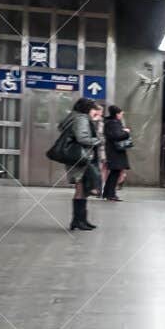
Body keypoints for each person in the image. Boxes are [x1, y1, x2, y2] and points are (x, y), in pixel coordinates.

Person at [59, 98, 102, 232]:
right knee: (81, 188)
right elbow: (82, 138)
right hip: (80, 158)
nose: (95, 112)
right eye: (93, 109)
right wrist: (98, 140)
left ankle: (80, 220)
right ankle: (78, 221)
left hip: (76, 157)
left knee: (81, 188)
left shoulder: (73, 117)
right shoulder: (81, 119)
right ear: (87, 108)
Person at [101, 104, 131, 201]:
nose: (122, 116)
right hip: (115, 151)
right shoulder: (114, 123)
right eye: (121, 114)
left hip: (112, 150)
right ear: (117, 114)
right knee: (115, 173)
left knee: (114, 173)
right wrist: (126, 132)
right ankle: (111, 194)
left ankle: (107, 193)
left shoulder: (109, 122)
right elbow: (117, 136)